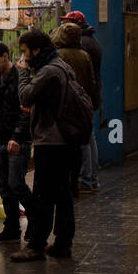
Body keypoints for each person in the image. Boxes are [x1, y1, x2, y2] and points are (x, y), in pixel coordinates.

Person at [12, 29, 77, 261]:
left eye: (25, 51)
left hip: (51, 140)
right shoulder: (62, 66)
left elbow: (25, 96)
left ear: (36, 49)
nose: (24, 56)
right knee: (62, 193)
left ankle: (36, 244)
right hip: (64, 139)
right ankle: (62, 242)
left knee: (43, 194)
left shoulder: (49, 71)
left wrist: (23, 73)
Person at [0, 41, 31, 242]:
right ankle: (12, 228)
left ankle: (36, 221)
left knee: (16, 184)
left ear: (5, 56)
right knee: (4, 186)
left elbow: (25, 112)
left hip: (18, 141)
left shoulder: (20, 79)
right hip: (3, 139)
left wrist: (17, 136)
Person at [52, 22, 96, 197]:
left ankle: (74, 182)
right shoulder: (84, 55)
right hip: (83, 103)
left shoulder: (60, 55)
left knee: (68, 147)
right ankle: (87, 180)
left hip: (66, 105)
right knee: (84, 143)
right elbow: (91, 81)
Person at [66, 10, 102, 191]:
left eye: (68, 23)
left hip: (83, 98)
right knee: (89, 137)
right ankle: (92, 178)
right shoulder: (91, 42)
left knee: (84, 140)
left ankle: (86, 179)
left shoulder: (82, 46)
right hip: (91, 97)